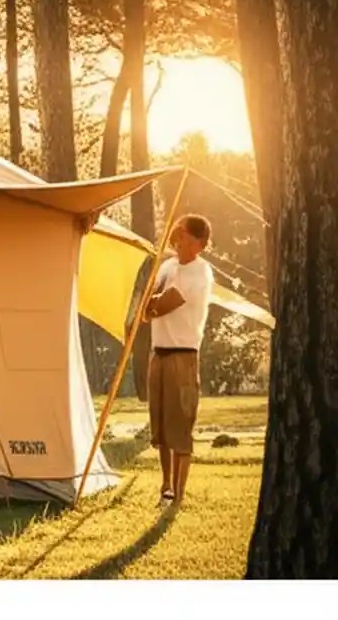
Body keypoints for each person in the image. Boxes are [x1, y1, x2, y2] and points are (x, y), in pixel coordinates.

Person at [143, 214, 214, 510]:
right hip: (159, 353)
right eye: (179, 233)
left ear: (199, 243)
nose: (180, 238)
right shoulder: (167, 266)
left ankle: (180, 494)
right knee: (160, 424)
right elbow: (147, 303)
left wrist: (152, 304)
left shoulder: (202, 272)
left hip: (183, 356)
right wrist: (149, 301)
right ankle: (166, 487)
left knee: (179, 425)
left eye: (186, 235)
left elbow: (168, 302)